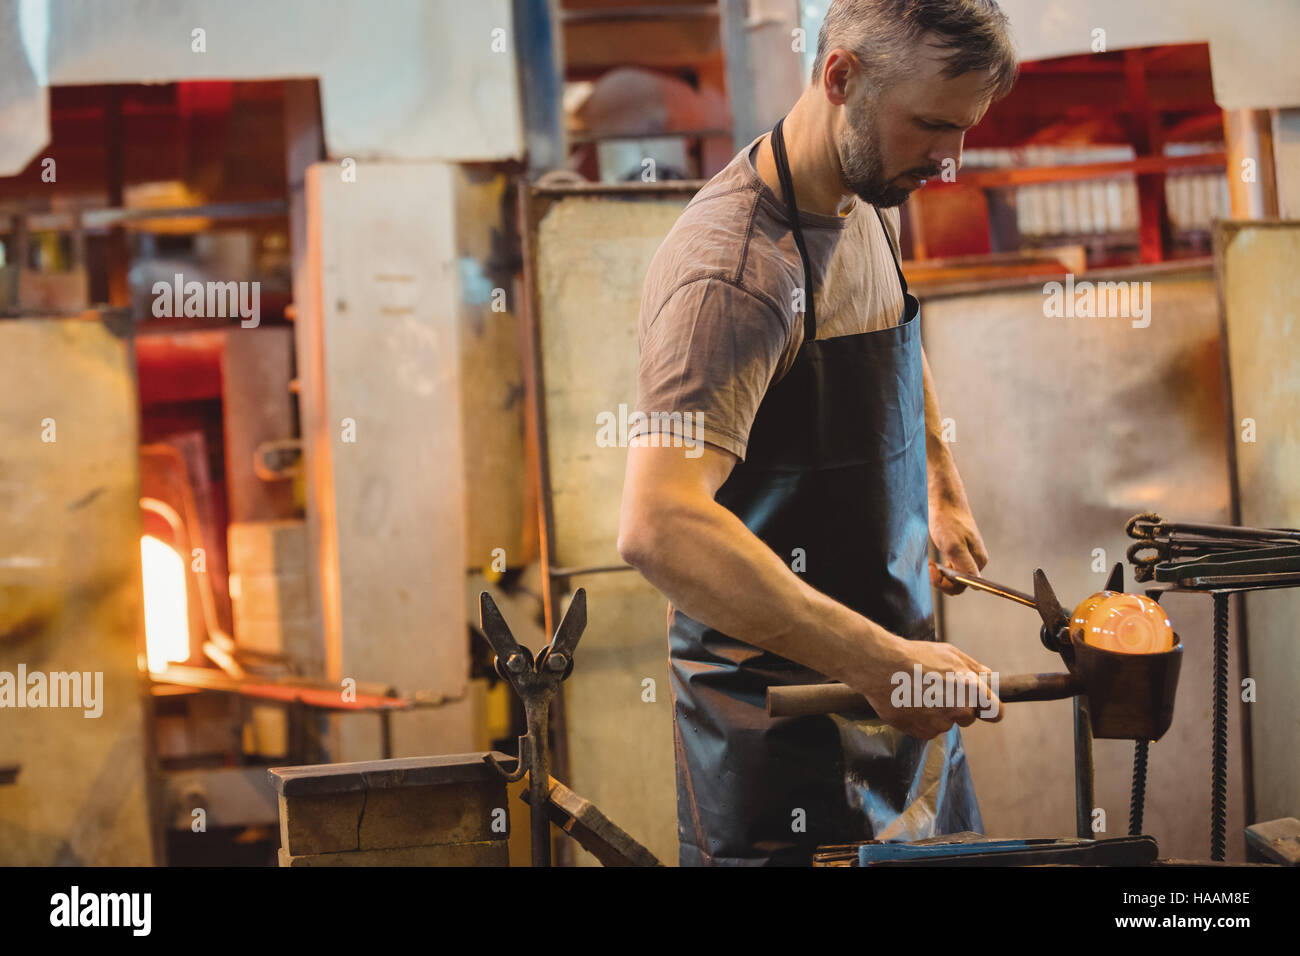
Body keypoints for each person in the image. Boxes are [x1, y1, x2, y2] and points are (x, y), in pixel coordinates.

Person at [617, 0, 1020, 866]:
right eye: (934, 127)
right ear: (841, 77)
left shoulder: (870, 188)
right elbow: (658, 525)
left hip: (894, 695)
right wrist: (878, 664)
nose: (949, 162)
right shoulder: (732, 275)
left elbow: (891, 324)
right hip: (780, 741)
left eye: (963, 131)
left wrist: (940, 484)